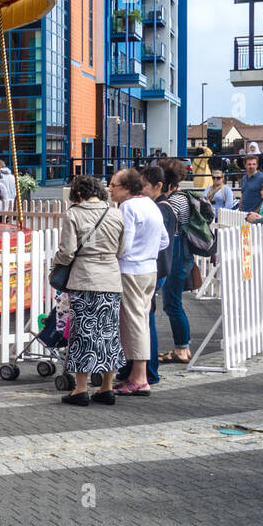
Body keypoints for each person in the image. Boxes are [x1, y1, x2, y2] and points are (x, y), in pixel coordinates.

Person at [51, 175, 125, 405]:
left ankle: (80, 389)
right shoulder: (115, 213)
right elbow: (123, 249)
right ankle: (106, 387)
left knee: (83, 333)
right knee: (109, 333)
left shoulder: (74, 213)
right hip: (111, 279)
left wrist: (57, 263)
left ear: (79, 194)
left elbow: (67, 251)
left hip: (84, 278)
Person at [109, 168, 169, 395]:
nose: (110, 189)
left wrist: (115, 255)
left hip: (131, 270)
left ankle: (140, 377)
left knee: (134, 323)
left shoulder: (128, 207)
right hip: (149, 269)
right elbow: (163, 240)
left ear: (126, 188)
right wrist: (148, 251)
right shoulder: (150, 204)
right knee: (142, 320)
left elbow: (124, 245)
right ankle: (137, 375)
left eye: (114, 185)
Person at [157, 160, 196, 365]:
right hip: (183, 253)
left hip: (177, 254)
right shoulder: (182, 198)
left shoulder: (174, 201)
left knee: (172, 304)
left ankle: (182, 348)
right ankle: (184, 347)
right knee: (174, 303)